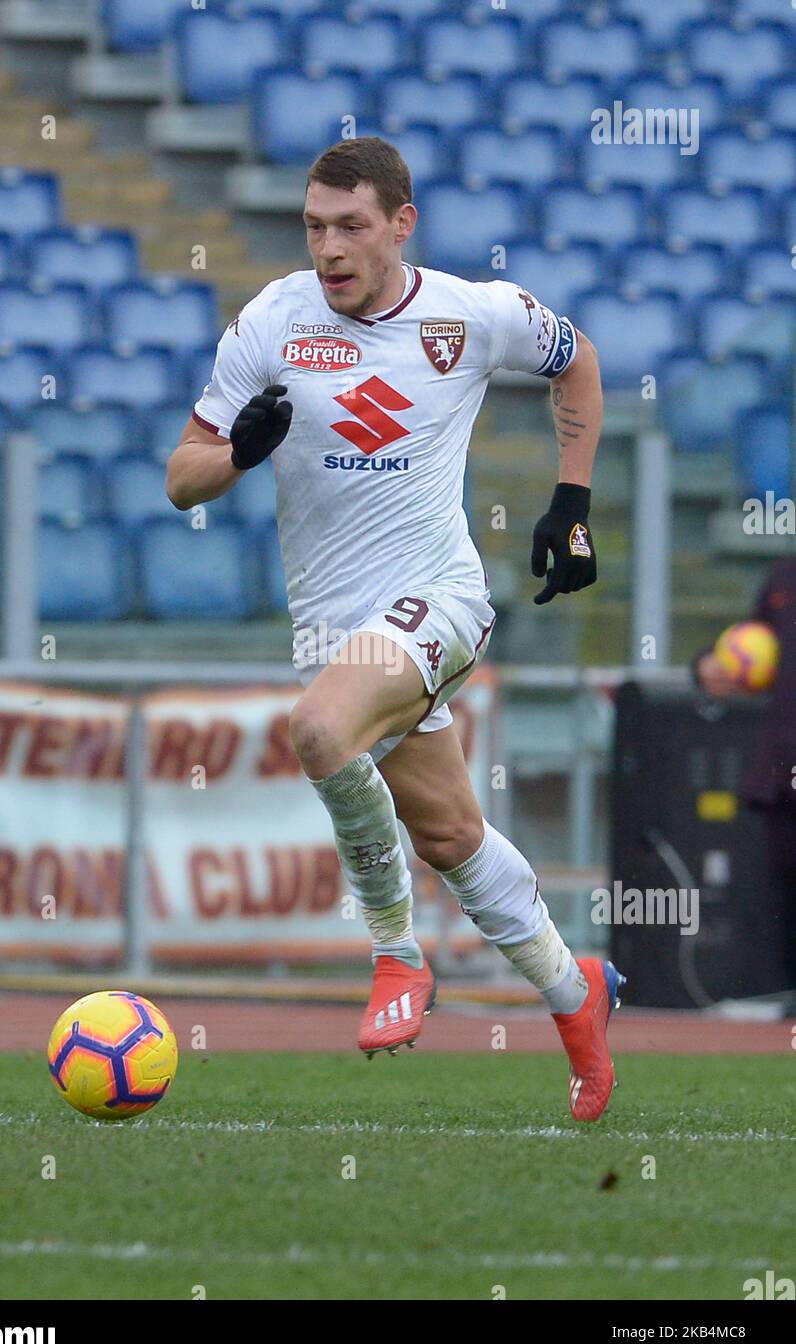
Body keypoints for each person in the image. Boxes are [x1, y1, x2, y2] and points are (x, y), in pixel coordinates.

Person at [167, 137, 623, 1121]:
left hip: (440, 599)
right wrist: (240, 452)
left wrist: (570, 503)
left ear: (400, 225)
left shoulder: (469, 314)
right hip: (337, 629)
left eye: (351, 226)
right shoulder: (270, 323)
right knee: (452, 832)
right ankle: (577, 996)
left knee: (320, 731)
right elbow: (181, 476)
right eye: (314, 226)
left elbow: (576, 358)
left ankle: (393, 954)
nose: (328, 247)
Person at [694, 555, 796, 998]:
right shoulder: (784, 575)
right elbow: (752, 644)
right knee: (786, 878)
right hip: (783, 759)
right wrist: (709, 664)